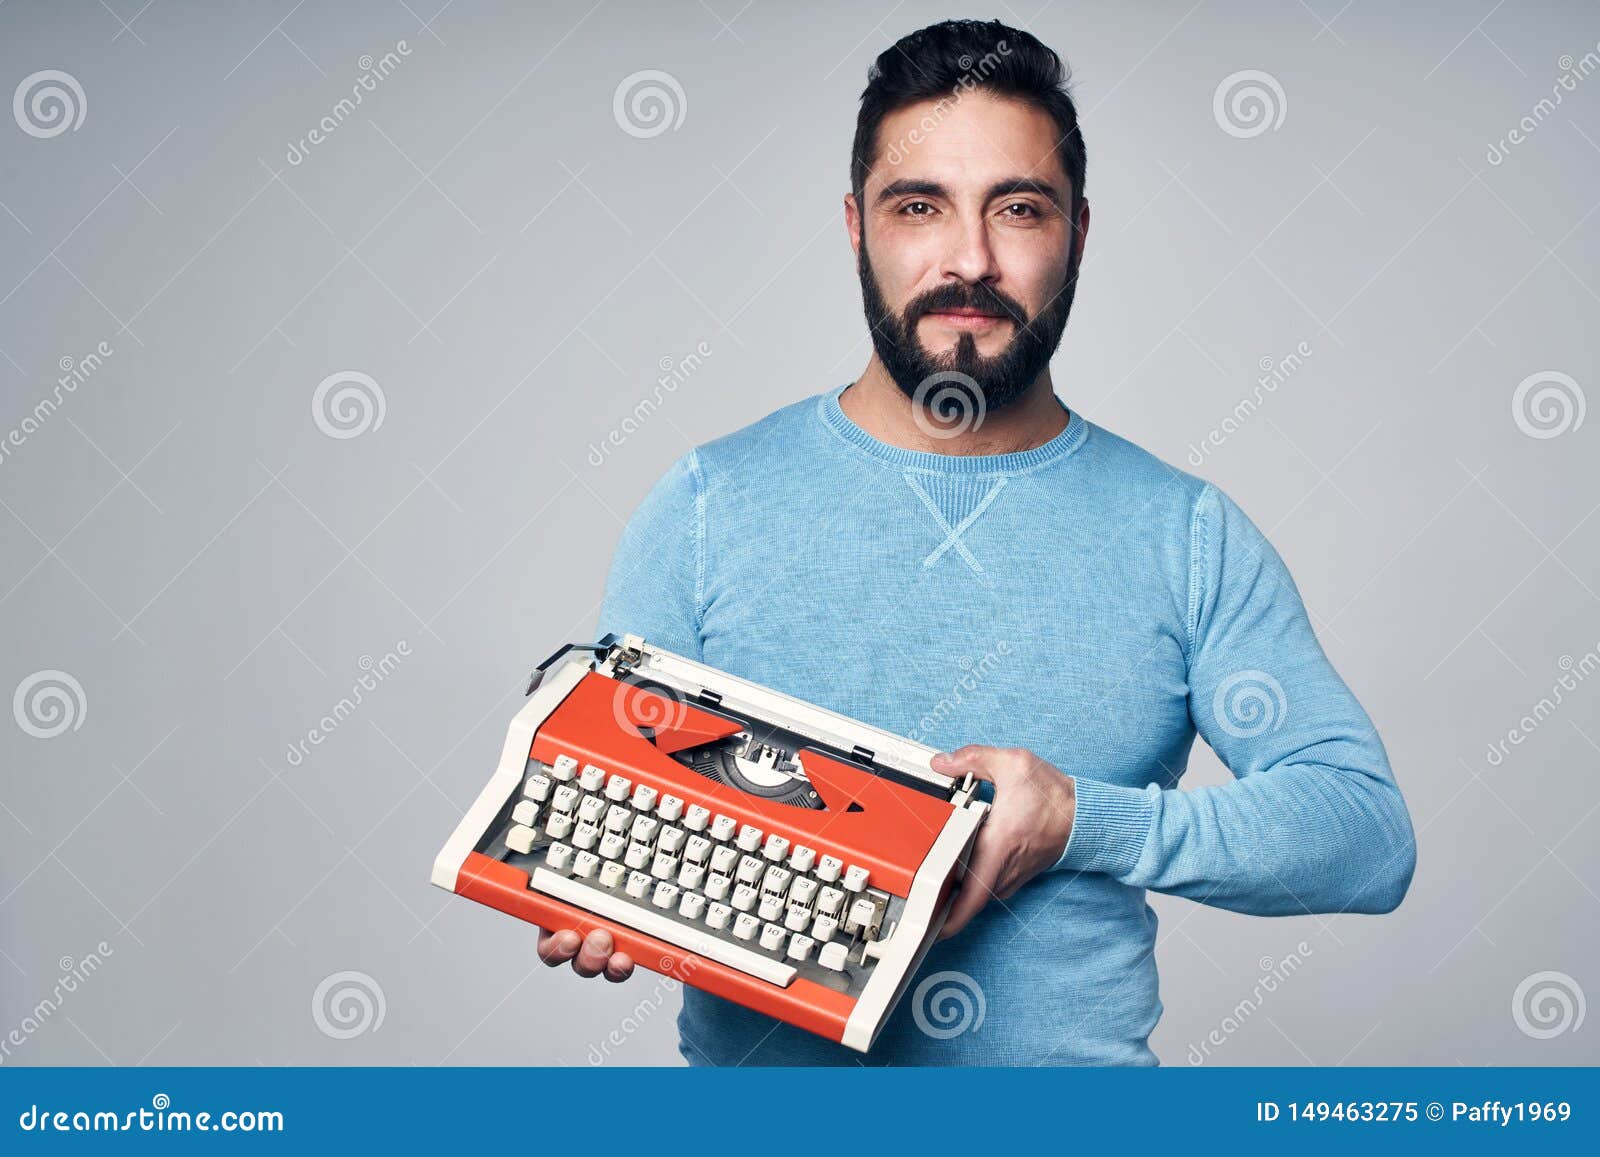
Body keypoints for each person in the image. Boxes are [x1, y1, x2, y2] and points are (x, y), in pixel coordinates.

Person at [539, 18, 1416, 1065]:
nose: (970, 259)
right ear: (857, 226)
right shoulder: (705, 505)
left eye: (1018, 208)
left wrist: (1082, 822)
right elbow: (620, 783)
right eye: (920, 207)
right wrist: (598, 882)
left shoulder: (1184, 534)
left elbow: (1364, 836)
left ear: (1077, 234)